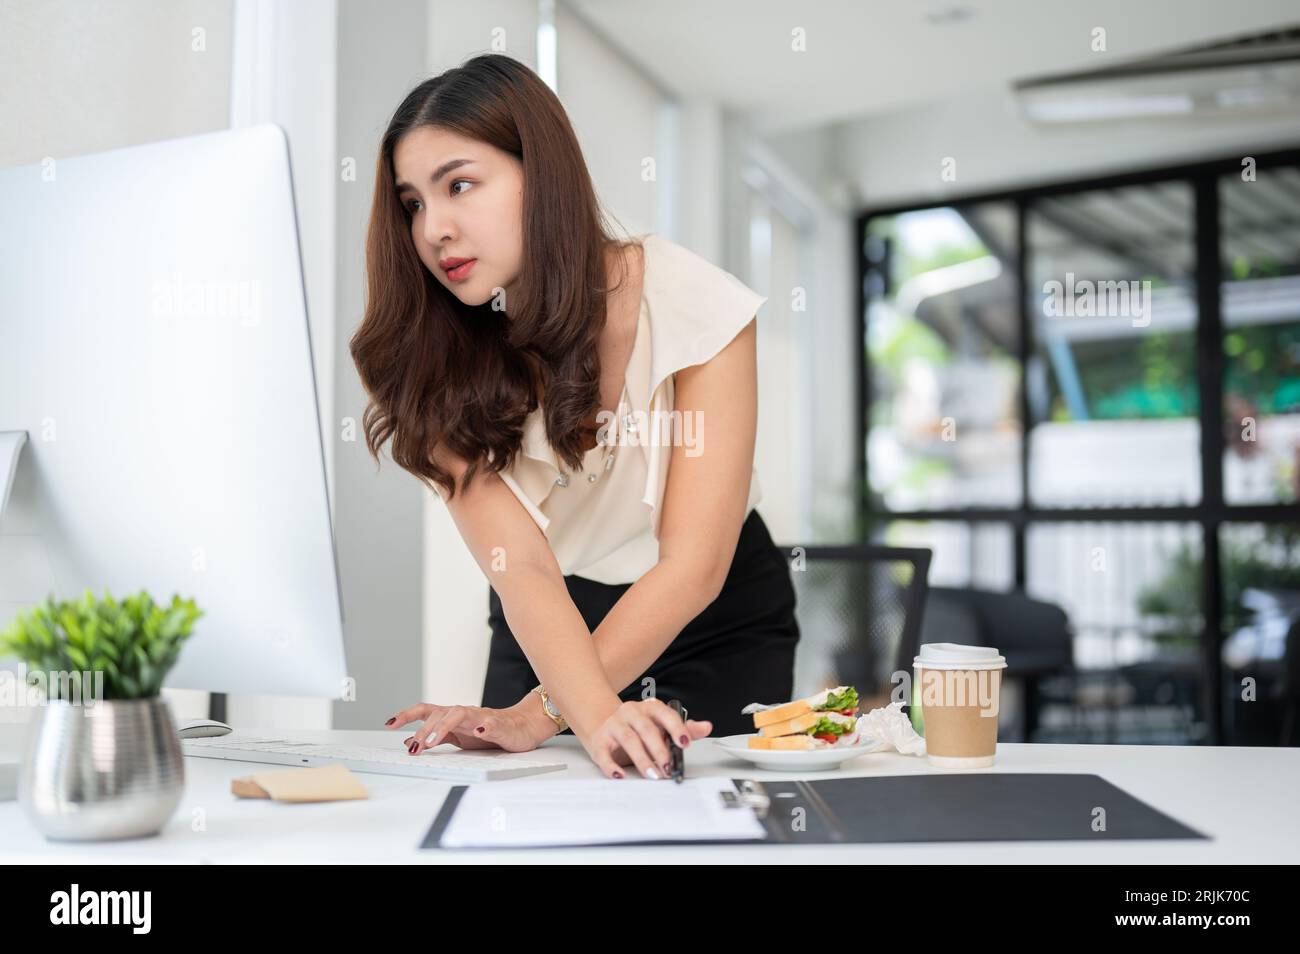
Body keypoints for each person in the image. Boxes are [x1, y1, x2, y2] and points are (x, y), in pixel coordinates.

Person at [350, 53, 799, 780]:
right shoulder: (431, 358)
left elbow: (693, 564)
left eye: (459, 184)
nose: (434, 228)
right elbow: (521, 567)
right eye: (413, 204)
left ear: (542, 176)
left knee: (693, 816)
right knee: (518, 809)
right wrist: (561, 706)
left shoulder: (696, 305)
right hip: (549, 617)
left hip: (713, 620)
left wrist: (545, 714)